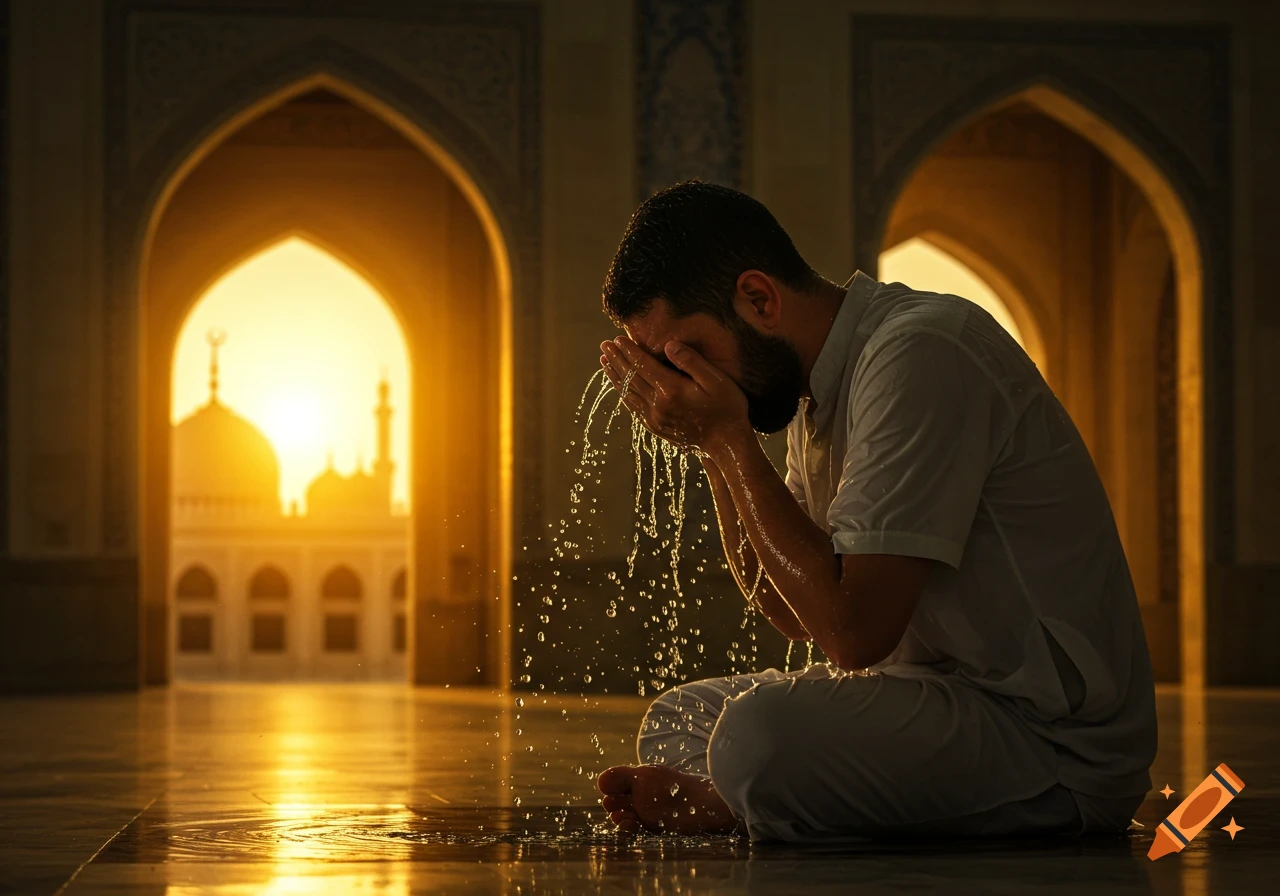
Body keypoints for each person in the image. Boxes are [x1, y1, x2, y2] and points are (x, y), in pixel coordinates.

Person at [594, 181, 1157, 842]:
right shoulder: (817, 387)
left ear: (758, 299)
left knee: (752, 738)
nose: (685, 380)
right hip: (935, 700)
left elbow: (854, 635)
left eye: (688, 353)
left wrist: (726, 438)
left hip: (1047, 738)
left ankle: (742, 799)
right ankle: (758, 800)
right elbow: (788, 612)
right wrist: (714, 450)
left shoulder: (919, 352)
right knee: (681, 719)